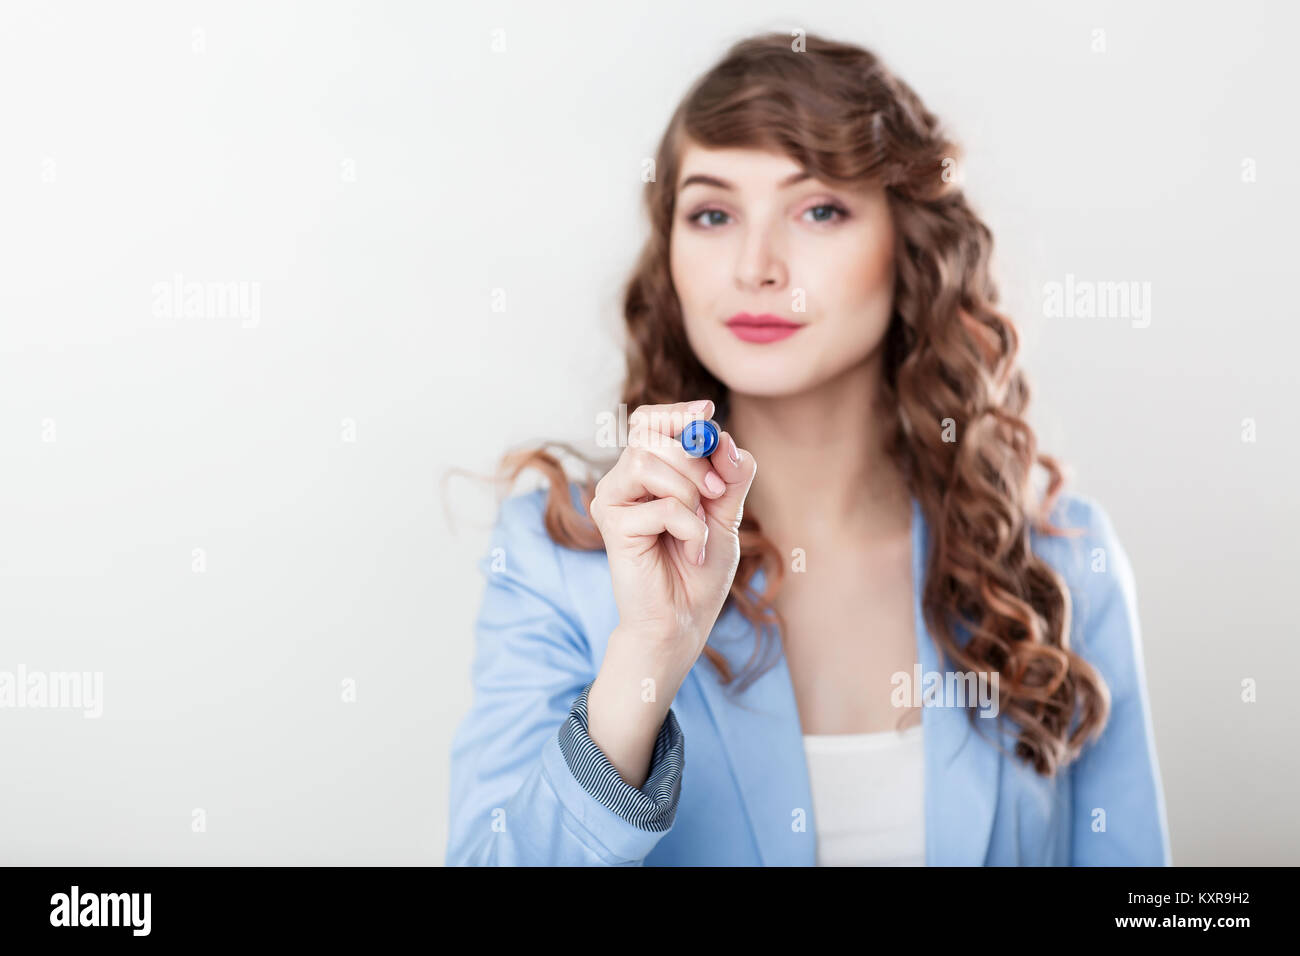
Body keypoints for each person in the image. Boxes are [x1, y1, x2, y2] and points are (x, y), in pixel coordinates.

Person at [445, 30, 1170, 866]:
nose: (756, 266)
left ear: (910, 246)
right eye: (713, 214)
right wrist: (647, 656)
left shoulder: (1060, 563)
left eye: (819, 209)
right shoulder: (558, 558)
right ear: (671, 254)